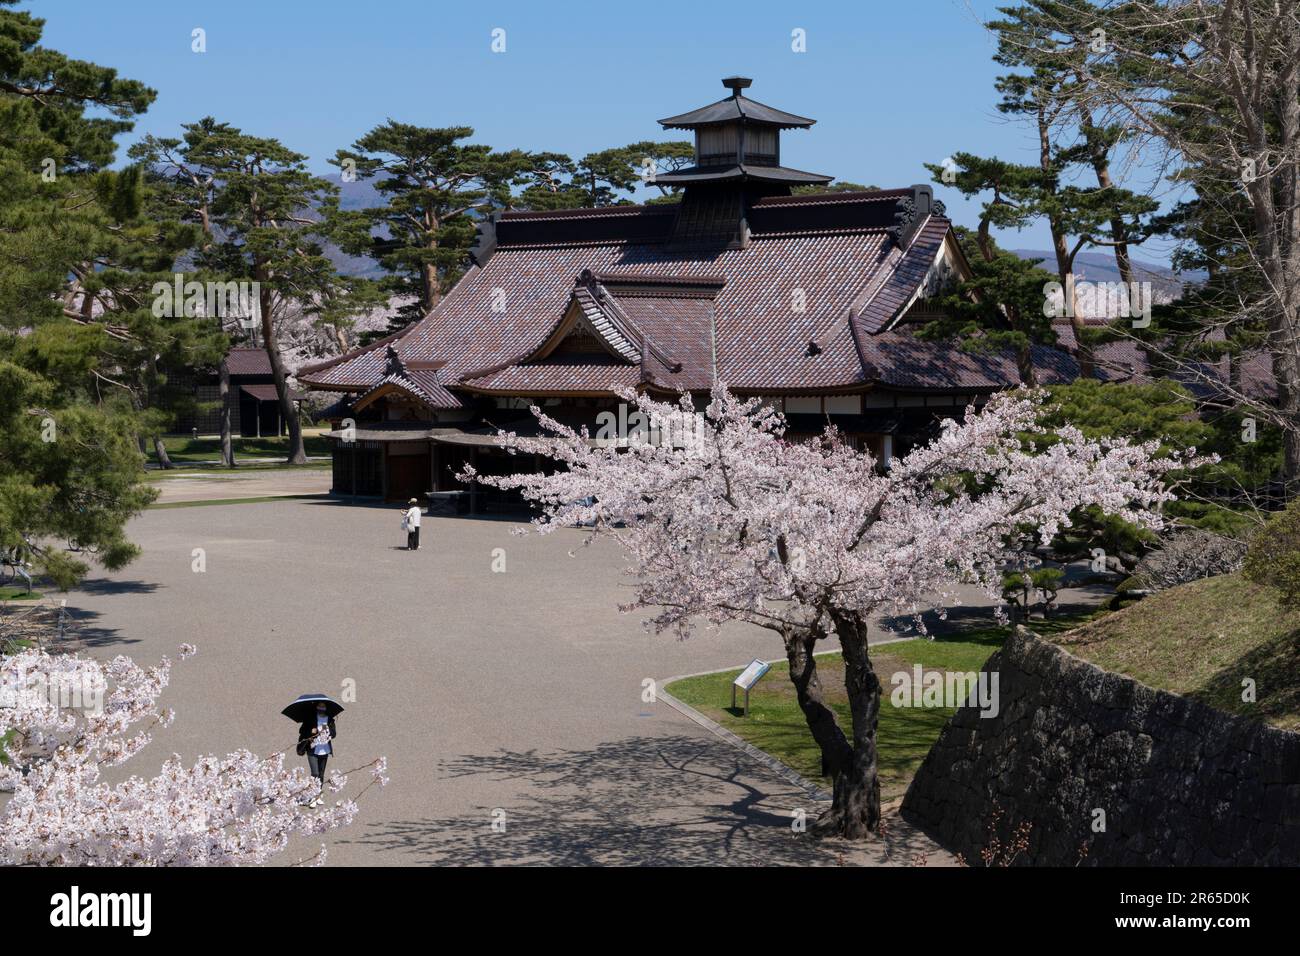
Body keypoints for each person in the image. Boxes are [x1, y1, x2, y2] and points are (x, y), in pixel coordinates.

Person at [296, 701, 336, 807]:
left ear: (326, 708)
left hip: (325, 750)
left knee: (321, 774)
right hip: (312, 749)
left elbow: (334, 734)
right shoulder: (310, 718)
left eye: (323, 706)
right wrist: (311, 731)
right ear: (316, 707)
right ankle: (312, 797)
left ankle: (317, 796)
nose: (321, 708)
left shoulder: (330, 719)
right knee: (315, 773)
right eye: (319, 706)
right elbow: (302, 731)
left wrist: (327, 731)